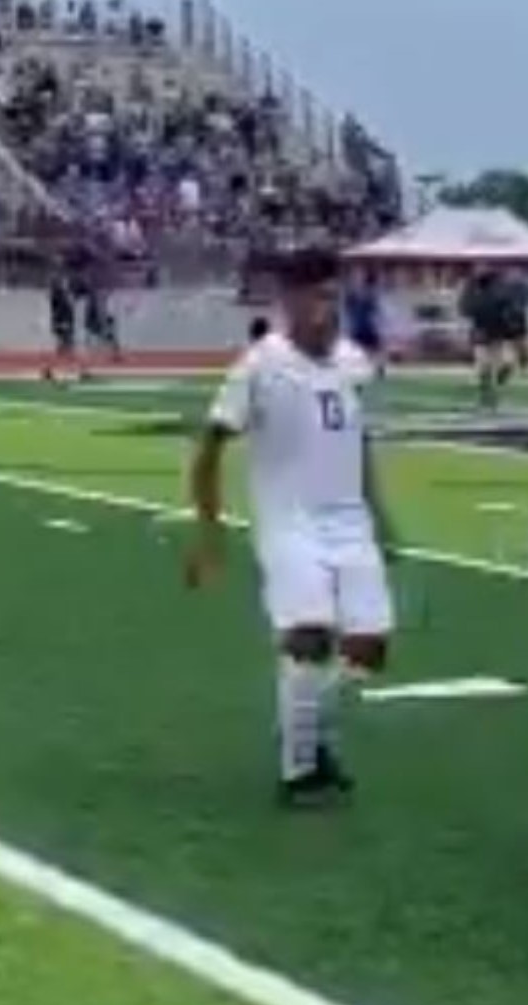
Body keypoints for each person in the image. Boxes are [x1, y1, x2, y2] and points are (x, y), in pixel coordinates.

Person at [185, 248, 394, 804]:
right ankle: (300, 768)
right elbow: (208, 448)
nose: (329, 306)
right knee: (307, 636)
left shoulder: (353, 362)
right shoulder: (260, 365)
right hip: (290, 523)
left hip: (349, 522)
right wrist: (210, 533)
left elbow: (359, 440)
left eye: (334, 294)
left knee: (369, 647)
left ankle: (306, 728)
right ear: (290, 301)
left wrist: (379, 512)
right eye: (318, 295)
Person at [462, 268, 528, 414]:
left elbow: (515, 321)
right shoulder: (483, 299)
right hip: (488, 337)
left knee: (497, 365)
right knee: (492, 366)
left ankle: (491, 391)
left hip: (496, 336)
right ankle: (490, 392)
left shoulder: (498, 299)